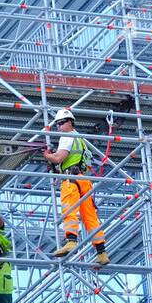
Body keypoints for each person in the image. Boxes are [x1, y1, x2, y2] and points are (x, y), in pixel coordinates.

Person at [43, 107, 109, 265]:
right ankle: (101, 252)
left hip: (71, 180)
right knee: (90, 216)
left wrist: (47, 156)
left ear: (70, 122)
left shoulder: (66, 136)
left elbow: (59, 158)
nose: (58, 127)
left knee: (69, 209)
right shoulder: (79, 138)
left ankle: (71, 241)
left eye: (61, 123)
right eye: (57, 124)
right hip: (83, 179)